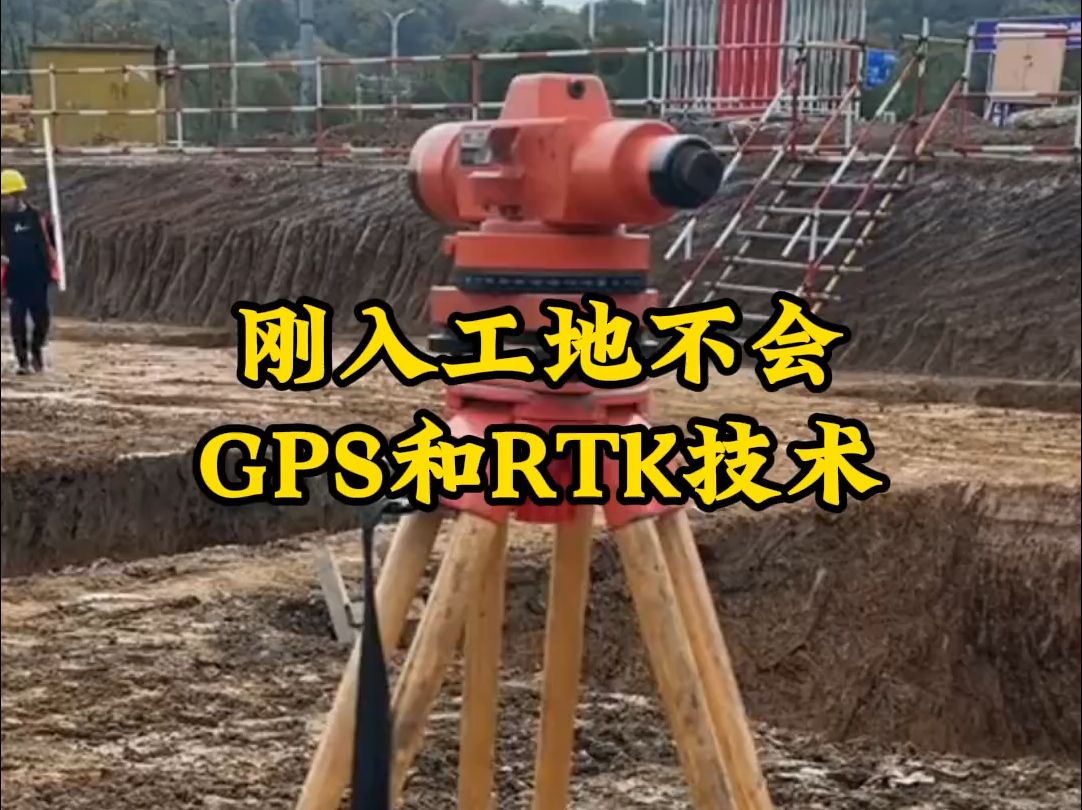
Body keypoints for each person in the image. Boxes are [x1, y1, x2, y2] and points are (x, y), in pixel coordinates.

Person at [1, 168, 59, 374]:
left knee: (41, 320)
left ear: (17, 195)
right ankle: (22, 361)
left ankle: (36, 350)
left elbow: (51, 244)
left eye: (5, 197)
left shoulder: (37, 217)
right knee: (17, 321)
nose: (2, 201)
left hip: (38, 276)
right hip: (15, 278)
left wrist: (54, 268)